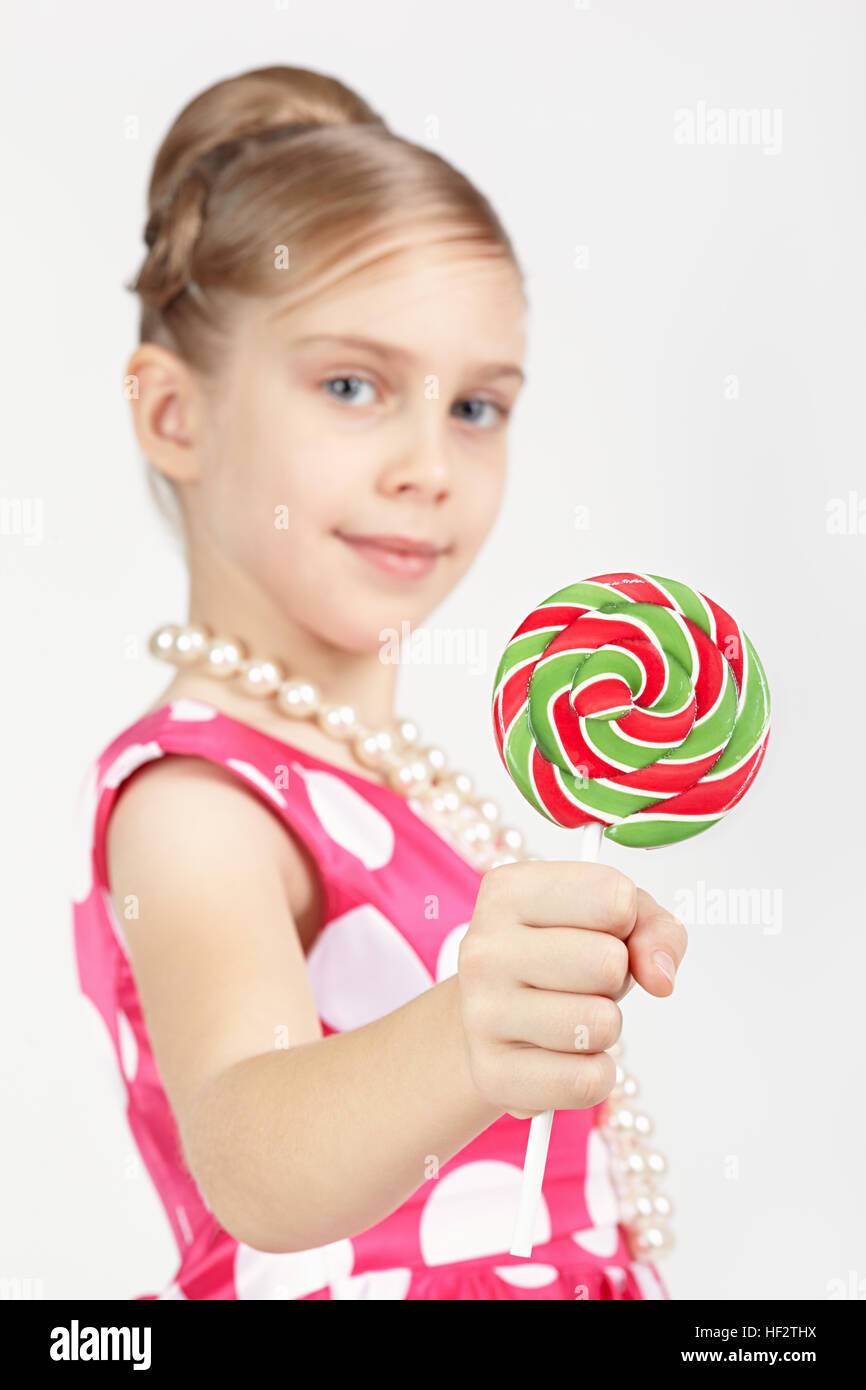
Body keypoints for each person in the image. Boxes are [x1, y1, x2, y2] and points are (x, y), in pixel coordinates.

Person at [72, 64, 687, 1300]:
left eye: (474, 405)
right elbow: (253, 1153)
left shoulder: (394, 783)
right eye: (351, 385)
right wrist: (469, 1027)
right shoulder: (199, 799)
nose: (428, 463)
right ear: (174, 415)